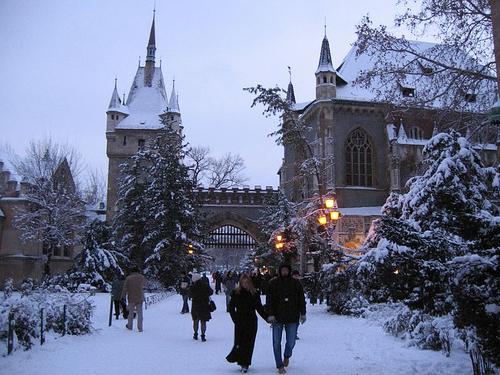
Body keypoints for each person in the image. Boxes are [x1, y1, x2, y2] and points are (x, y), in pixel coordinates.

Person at [266, 264, 306, 374]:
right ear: (280, 271)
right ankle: (279, 365)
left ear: (289, 271)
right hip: (277, 317)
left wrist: (303, 313)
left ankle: (287, 355)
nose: (284, 272)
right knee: (276, 342)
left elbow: (301, 299)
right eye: (282, 270)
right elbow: (269, 300)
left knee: (291, 341)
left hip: (292, 316)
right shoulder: (273, 283)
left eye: (286, 270)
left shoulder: (295, 284)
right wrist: (270, 314)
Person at [226, 274, 268, 373]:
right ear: (240, 283)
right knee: (240, 342)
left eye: (247, 282)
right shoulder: (236, 293)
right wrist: (235, 319)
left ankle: (246, 363)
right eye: (243, 282)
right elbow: (231, 307)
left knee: (249, 343)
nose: (245, 284)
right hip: (240, 321)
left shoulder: (254, 293)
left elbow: (259, 308)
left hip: (251, 321)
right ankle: (241, 361)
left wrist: (267, 318)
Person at [190, 273, 213, 341]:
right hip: (204, 305)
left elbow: (190, 295)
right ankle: (203, 336)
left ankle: (195, 334)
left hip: (195, 305)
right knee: (203, 321)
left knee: (195, 321)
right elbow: (211, 292)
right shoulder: (205, 285)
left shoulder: (192, 287)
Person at [121, 266, 146, 332]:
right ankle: (140, 328)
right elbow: (144, 285)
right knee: (140, 313)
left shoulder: (128, 278)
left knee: (130, 313)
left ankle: (130, 326)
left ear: (132, 271)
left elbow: (125, 288)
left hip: (131, 297)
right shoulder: (142, 277)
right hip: (140, 297)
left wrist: (123, 296)